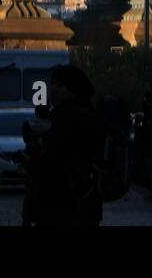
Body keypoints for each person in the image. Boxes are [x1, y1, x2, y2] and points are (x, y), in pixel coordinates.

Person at [22, 65, 107, 228]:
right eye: (53, 83)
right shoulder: (90, 116)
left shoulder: (68, 119)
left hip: (62, 207)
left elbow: (54, 162)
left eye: (60, 85)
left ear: (72, 89)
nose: (53, 88)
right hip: (85, 207)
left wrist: (31, 162)